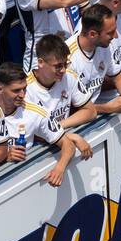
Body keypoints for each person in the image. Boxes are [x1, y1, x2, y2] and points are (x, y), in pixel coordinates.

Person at [23, 36, 95, 187]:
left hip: (61, 143)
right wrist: (70, 136)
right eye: (57, 66)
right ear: (41, 62)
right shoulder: (25, 90)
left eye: (65, 64)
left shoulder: (69, 77)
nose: (63, 70)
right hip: (38, 156)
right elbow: (35, 133)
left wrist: (60, 127)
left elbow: (90, 111)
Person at [65, 5, 121, 120]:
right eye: (110, 33)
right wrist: (108, 108)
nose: (115, 36)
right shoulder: (66, 60)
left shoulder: (104, 45)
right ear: (92, 34)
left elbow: (118, 78)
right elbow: (70, 109)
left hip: (92, 116)